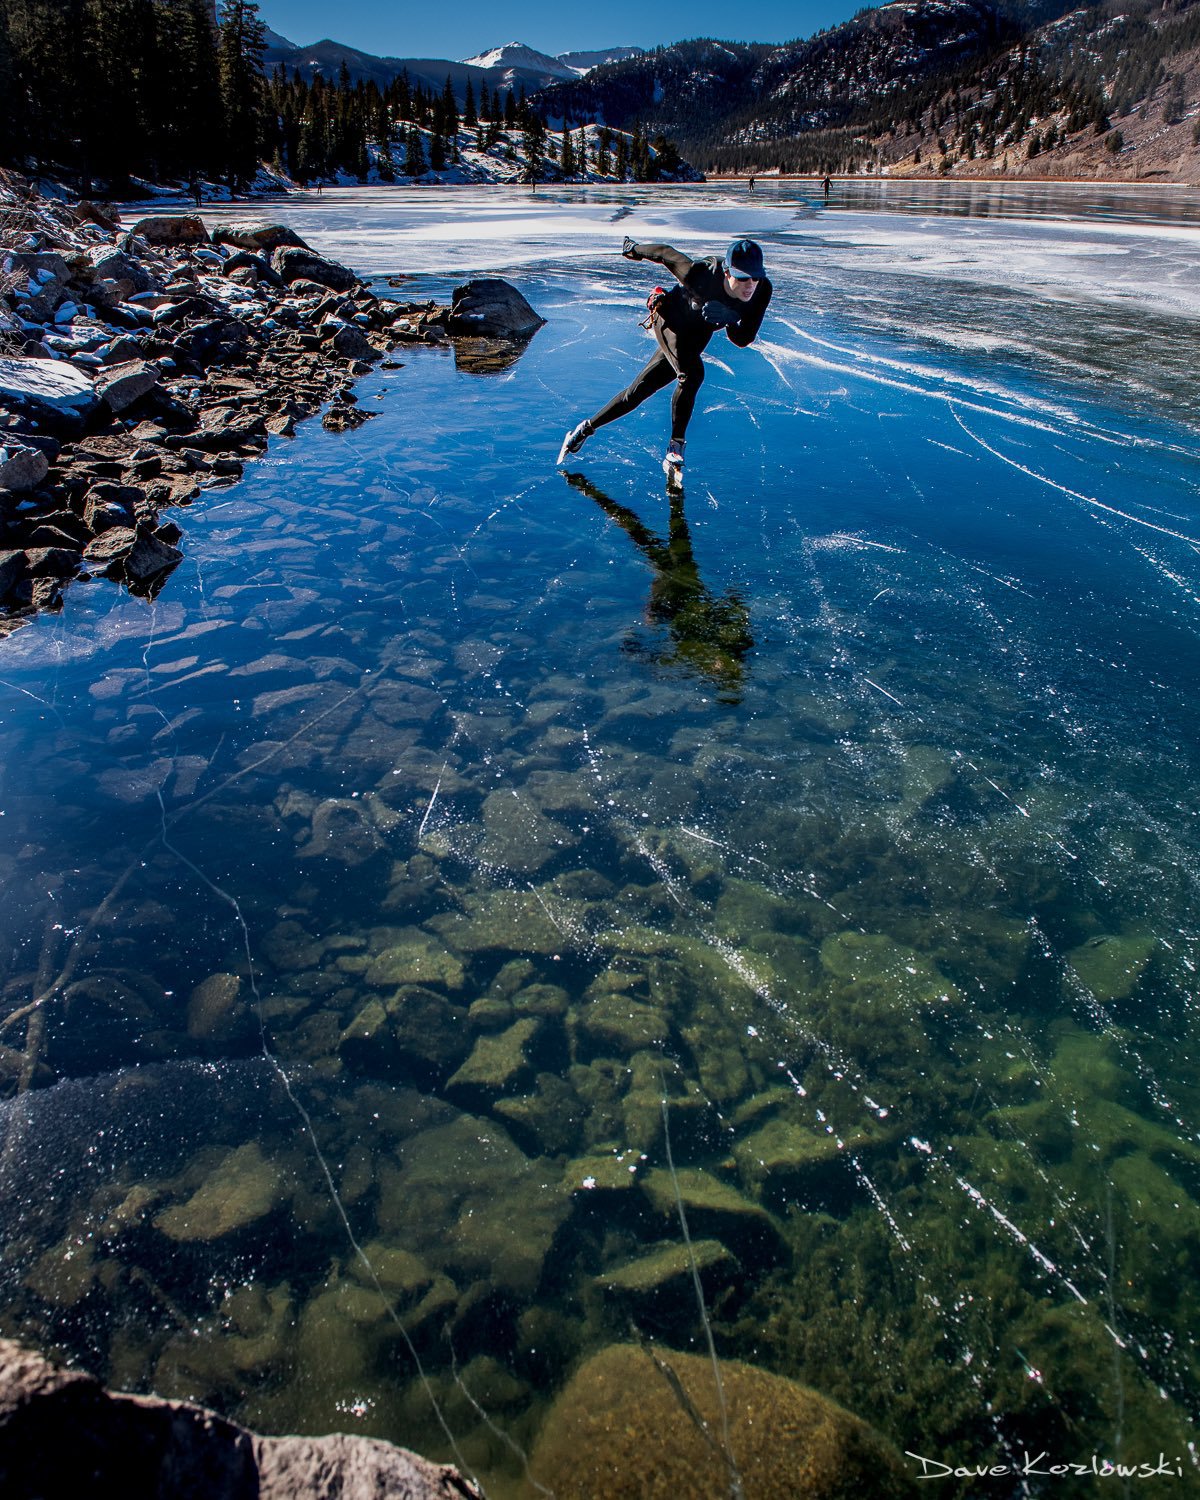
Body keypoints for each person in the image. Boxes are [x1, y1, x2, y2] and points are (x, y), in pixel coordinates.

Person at [557, 237, 772, 482]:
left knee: (637, 392)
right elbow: (665, 253)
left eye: (755, 277)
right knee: (692, 375)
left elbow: (743, 338)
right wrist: (633, 249)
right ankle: (675, 448)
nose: (750, 285)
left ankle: (583, 430)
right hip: (670, 322)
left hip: (697, 334)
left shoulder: (761, 290)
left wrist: (732, 318)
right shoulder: (700, 274)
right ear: (727, 272)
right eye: (743, 278)